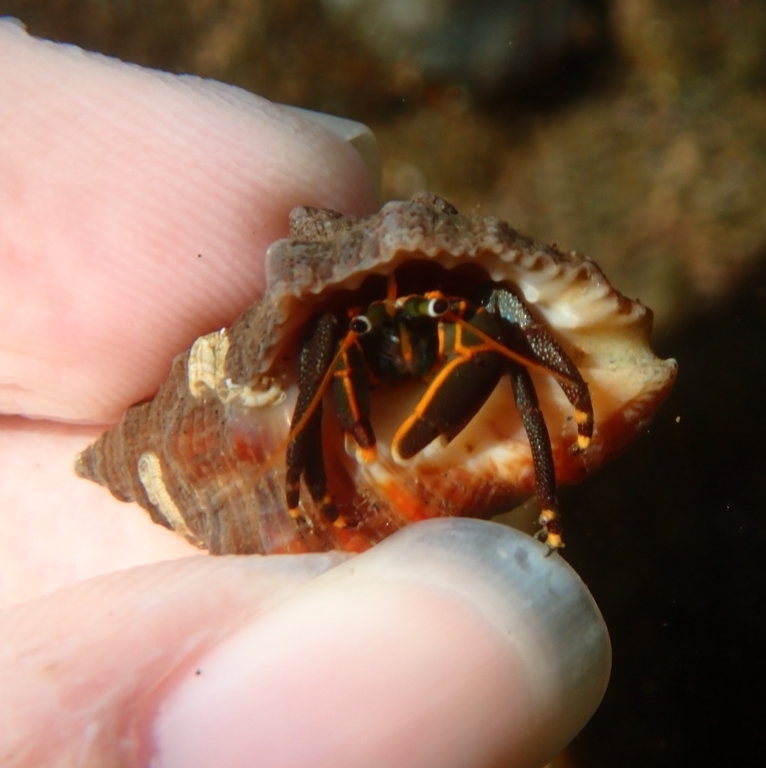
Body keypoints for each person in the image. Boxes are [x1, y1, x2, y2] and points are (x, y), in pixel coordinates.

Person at [0, 20, 609, 767]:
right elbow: (330, 348)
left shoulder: (455, 317)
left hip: (432, 345)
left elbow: (508, 328)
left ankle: (549, 491)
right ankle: (303, 476)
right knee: (339, 345)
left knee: (509, 347)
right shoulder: (350, 333)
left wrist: (571, 385)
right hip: (340, 358)